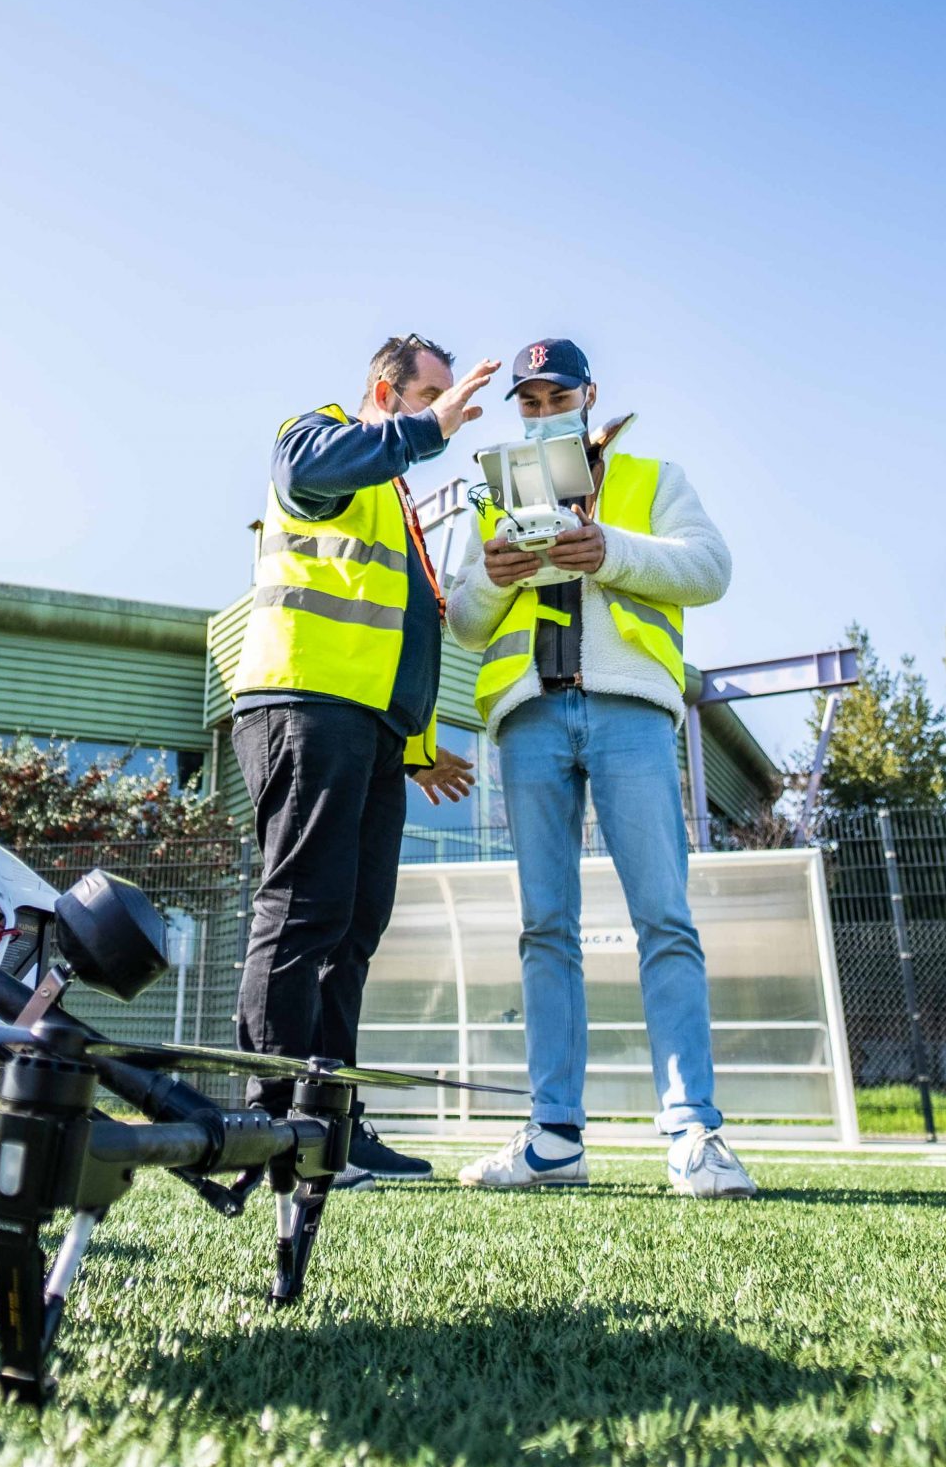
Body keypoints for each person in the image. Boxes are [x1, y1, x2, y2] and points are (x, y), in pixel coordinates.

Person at [445, 338, 756, 1198]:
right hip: (531, 720)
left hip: (629, 716)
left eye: (556, 397)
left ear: (589, 395)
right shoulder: (487, 498)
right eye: (530, 402)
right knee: (546, 928)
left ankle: (694, 1132)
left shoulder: (654, 478)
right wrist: (499, 577)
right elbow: (467, 620)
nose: (543, 412)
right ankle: (554, 1136)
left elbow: (711, 569)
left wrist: (607, 551)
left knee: (664, 916)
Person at [229, 334, 494, 1184]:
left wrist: (417, 750)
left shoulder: (393, 493)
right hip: (303, 708)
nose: (447, 410)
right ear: (386, 392)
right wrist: (424, 433)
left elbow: (400, 639)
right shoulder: (319, 439)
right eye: (432, 396)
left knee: (353, 928)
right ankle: (271, 1121)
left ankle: (331, 1124)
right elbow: (307, 466)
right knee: (304, 911)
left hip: (370, 734)